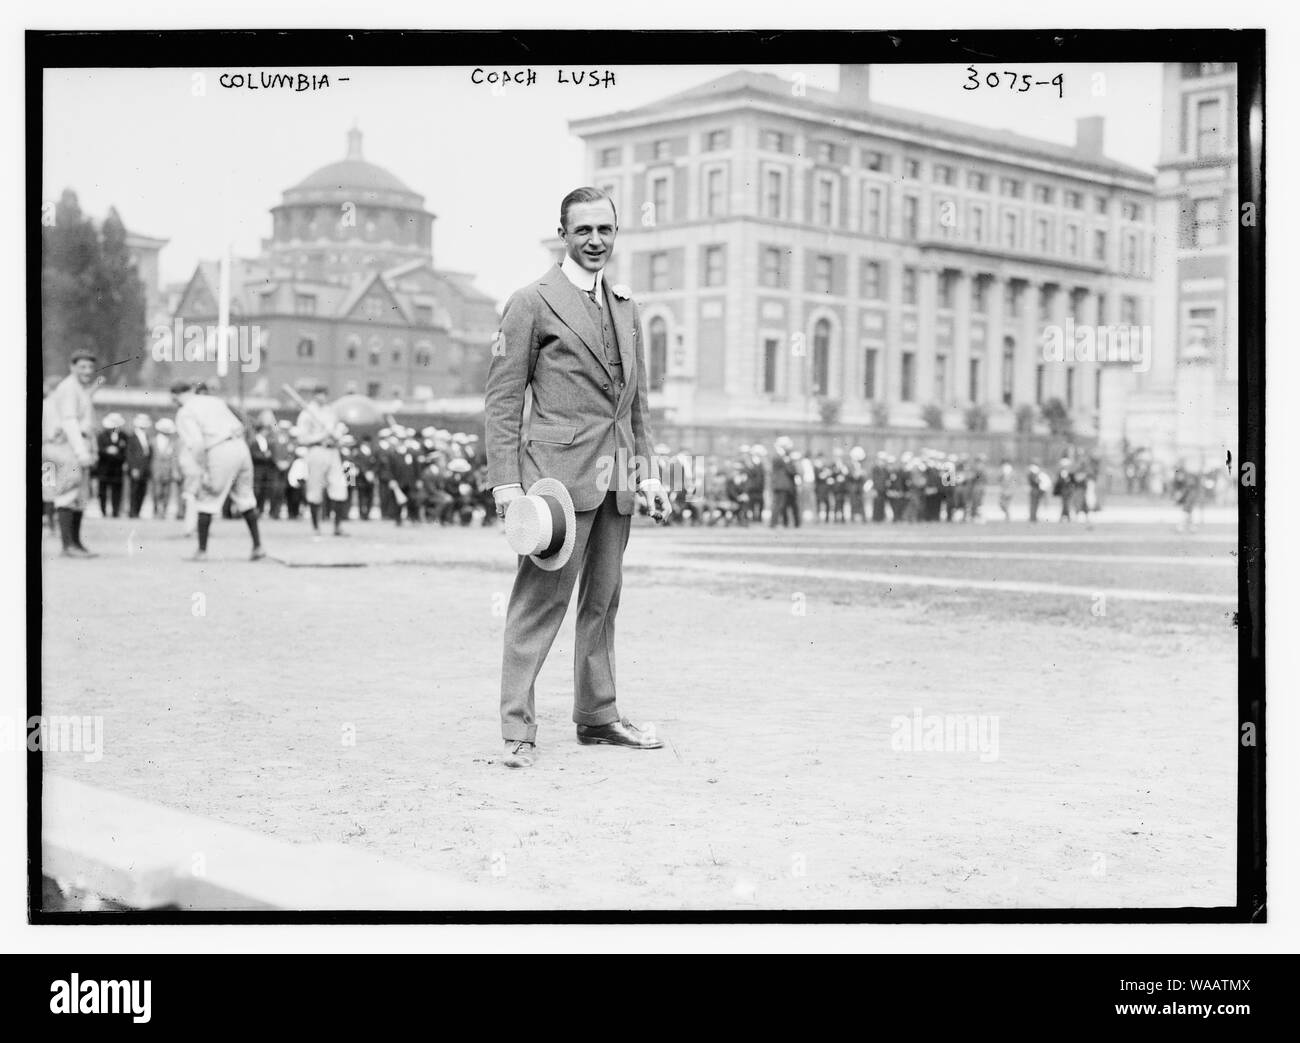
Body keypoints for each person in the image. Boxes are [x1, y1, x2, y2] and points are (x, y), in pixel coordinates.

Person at [484, 186, 669, 769]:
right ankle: (518, 728)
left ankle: (598, 717)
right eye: (583, 230)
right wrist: (506, 484)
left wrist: (649, 473)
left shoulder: (626, 305)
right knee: (540, 604)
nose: (595, 241)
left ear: (616, 235)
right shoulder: (531, 301)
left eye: (605, 231)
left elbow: (635, 405)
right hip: (555, 486)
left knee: (604, 602)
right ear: (563, 234)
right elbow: (502, 400)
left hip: (617, 479)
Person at [171, 381, 264, 561]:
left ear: (176, 396)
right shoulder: (215, 401)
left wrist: (203, 467)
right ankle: (258, 546)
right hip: (240, 447)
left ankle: (202, 551)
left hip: (219, 449)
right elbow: (242, 423)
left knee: (207, 497)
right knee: (246, 498)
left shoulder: (185, 411)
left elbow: (196, 444)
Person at [41, 348, 99, 557]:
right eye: (82, 366)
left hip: (77, 446)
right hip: (66, 447)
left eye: (91, 367)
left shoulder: (80, 389)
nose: (87, 371)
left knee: (80, 497)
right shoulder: (68, 388)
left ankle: (76, 542)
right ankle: (68, 545)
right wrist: (81, 451)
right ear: (72, 367)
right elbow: (69, 421)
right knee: (68, 494)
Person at [295, 384, 349, 537]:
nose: (322, 397)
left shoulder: (331, 411)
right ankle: (315, 527)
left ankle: (338, 526)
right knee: (315, 489)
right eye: (319, 393)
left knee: (340, 487)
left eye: (324, 394)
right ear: (314, 395)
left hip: (333, 450)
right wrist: (322, 434)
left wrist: (336, 434)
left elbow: (338, 430)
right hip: (316, 450)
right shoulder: (307, 413)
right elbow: (302, 438)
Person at [95, 413, 127, 518]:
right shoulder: (101, 436)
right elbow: (99, 450)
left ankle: (115, 511)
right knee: (102, 492)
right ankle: (103, 511)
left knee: (116, 492)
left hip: (117, 469)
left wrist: (117, 453)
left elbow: (126, 452)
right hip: (104, 468)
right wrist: (107, 451)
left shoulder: (124, 436)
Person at [125, 414, 153, 518]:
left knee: (142, 490)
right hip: (136, 468)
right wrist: (133, 468)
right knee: (134, 490)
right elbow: (129, 454)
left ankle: (138, 511)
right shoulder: (132, 437)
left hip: (144, 468)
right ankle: (132, 512)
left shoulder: (146, 437)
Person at [150, 418, 179, 519]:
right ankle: (156, 510)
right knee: (156, 492)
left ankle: (164, 510)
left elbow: (174, 458)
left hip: (168, 471)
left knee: (166, 492)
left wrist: (175, 471)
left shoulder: (173, 443)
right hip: (156, 470)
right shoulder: (153, 441)